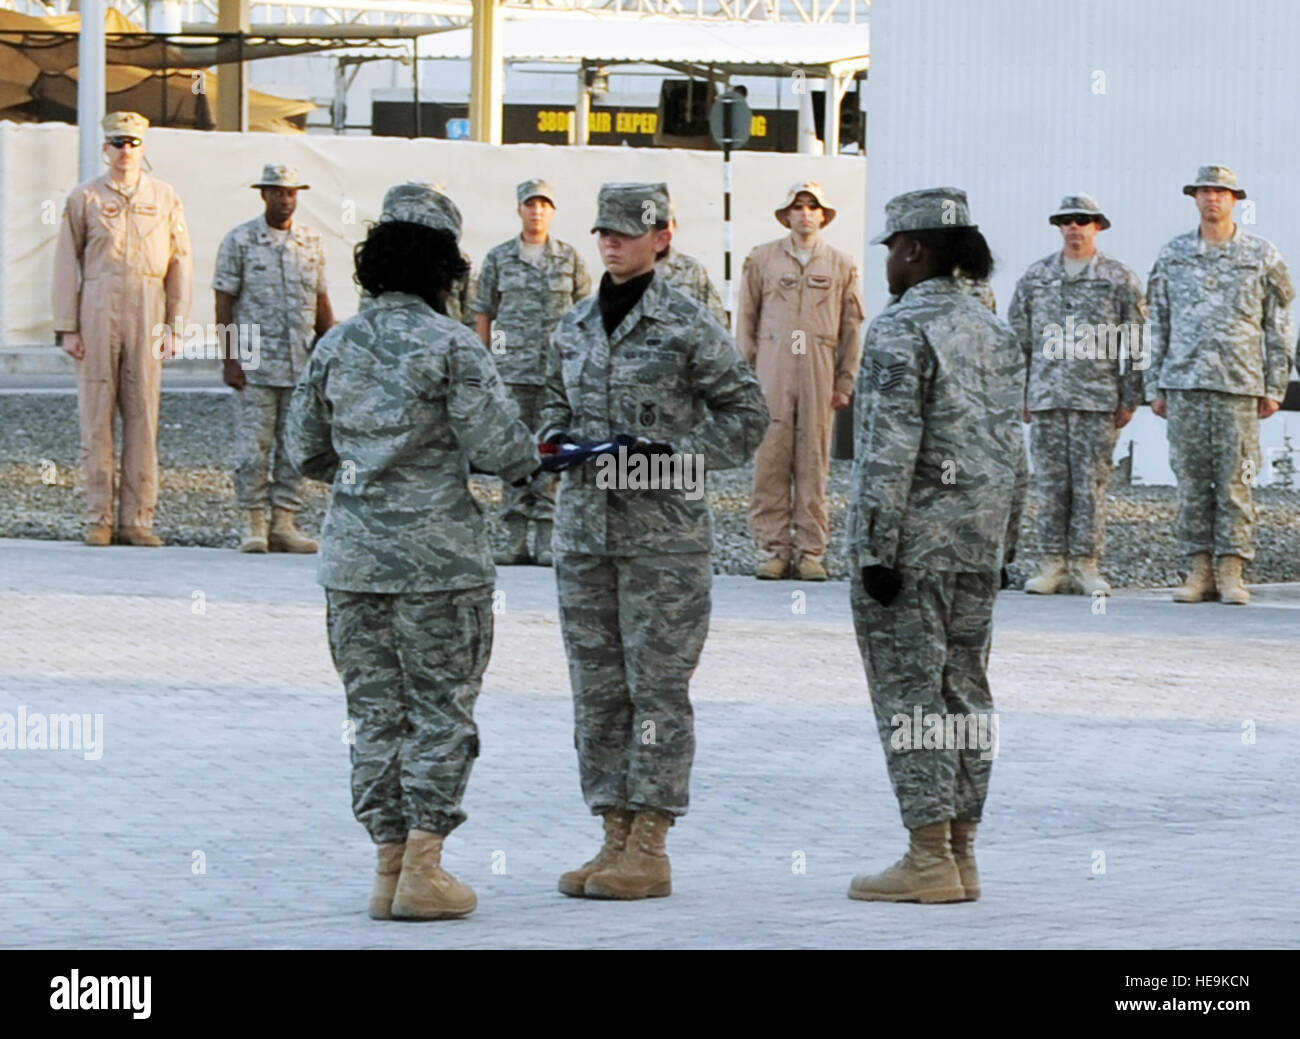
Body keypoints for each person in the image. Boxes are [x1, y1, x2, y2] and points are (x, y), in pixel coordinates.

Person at [284, 183, 539, 921]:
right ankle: (424, 865)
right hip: (439, 566)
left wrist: (368, 478)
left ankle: (387, 865)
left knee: (373, 714)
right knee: (439, 709)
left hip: (354, 562)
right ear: (444, 267)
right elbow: (499, 447)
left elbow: (305, 450)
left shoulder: (336, 345)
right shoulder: (455, 345)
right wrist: (523, 458)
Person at [539, 182, 768, 900]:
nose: (611, 242)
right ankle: (612, 832)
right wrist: (551, 442)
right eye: (603, 230)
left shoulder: (685, 323)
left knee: (657, 691)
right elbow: (547, 402)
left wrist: (665, 455)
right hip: (584, 534)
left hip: (661, 541)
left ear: (662, 236)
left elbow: (746, 414)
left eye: (627, 232)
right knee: (598, 690)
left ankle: (651, 842)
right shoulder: (573, 324)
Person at [847, 187, 1025, 904]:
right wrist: (1006, 541)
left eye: (892, 247)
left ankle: (926, 855)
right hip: (978, 545)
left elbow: (889, 450)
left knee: (913, 697)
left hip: (914, 550)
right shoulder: (994, 329)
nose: (888, 260)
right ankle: (961, 852)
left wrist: (872, 551)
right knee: (968, 695)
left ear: (914, 249)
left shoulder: (900, 330)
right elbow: (1013, 449)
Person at [1146, 166, 1296, 605]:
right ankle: (1199, 571)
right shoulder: (1173, 254)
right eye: (1204, 192)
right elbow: (1158, 321)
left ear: (1235, 200)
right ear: (1194, 198)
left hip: (1239, 385)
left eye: (1221, 192)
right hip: (1185, 383)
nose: (1212, 199)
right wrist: (1153, 384)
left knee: (1235, 480)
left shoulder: (1261, 254)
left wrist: (1274, 385)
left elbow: (1279, 325)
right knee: (1191, 481)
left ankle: (1232, 571)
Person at [52, 111, 192, 547]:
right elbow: (64, 263)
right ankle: (99, 517)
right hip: (98, 304)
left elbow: (180, 263)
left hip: (148, 305)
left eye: (132, 143)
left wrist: (175, 324)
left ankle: (138, 519)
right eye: (117, 142)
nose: (125, 151)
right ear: (104, 148)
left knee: (143, 414)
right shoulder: (85, 197)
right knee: (96, 415)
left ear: (143, 148)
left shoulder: (166, 197)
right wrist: (67, 326)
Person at [1008, 194, 1146, 595]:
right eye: (1067, 220)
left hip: (1097, 398)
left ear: (1097, 226)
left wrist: (1130, 396)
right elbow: (1018, 341)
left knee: (1090, 484)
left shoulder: (1119, 278)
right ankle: (1052, 561)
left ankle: (1086, 564)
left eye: (1082, 221)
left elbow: (1136, 341)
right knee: (1050, 483)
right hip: (1048, 396)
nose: (1074, 227)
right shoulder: (1036, 277)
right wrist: (1022, 392)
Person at [737, 180, 864, 581]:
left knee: (813, 459)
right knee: (771, 458)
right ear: (787, 214)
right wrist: (745, 375)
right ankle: (774, 549)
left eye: (813, 207)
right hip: (772, 366)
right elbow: (746, 319)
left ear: (823, 216)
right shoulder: (761, 259)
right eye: (798, 206)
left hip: (818, 366)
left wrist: (846, 380)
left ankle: (811, 550)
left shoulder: (841, 265)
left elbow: (852, 326)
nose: (806, 213)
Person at [214, 163, 335, 554]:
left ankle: (284, 520)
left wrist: (328, 350)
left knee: (294, 446)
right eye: (278, 192)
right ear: (263, 194)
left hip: (300, 364)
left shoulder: (311, 243)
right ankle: (252, 520)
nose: (285, 200)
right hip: (255, 362)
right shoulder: (241, 241)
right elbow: (225, 301)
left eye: (291, 193)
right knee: (254, 447)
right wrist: (230, 357)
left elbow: (320, 300)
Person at [474, 178, 591, 566]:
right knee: (514, 452)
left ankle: (547, 535)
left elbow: (583, 313)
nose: (536, 210)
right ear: (519, 209)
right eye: (530, 204)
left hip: (555, 375)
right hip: (512, 372)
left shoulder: (569, 259)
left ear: (553, 211)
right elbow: (485, 312)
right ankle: (514, 537)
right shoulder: (499, 258)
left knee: (552, 451)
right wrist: (487, 359)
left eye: (544, 204)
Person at [655, 203, 728, 328]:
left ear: (673, 227)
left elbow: (717, 325)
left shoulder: (691, 270)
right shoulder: (627, 270)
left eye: (664, 225)